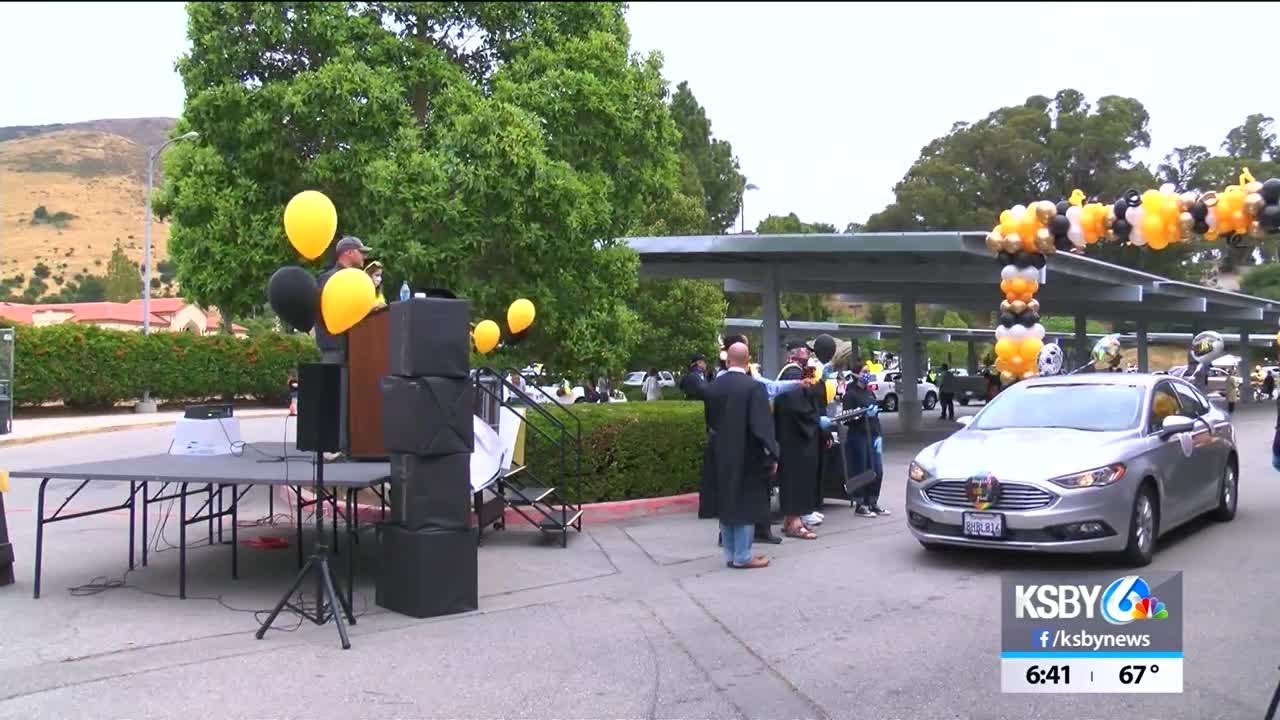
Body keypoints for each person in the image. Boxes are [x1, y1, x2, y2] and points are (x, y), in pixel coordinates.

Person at [703, 343, 779, 569]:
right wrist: (772, 454)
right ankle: (743, 556)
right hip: (747, 454)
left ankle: (730, 554)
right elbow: (761, 426)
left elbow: (710, 423)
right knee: (746, 504)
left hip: (719, 452)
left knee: (726, 503)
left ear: (728, 361)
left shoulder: (713, 387)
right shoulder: (753, 387)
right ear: (748, 362)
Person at [314, 235, 372, 460]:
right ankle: (330, 447)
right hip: (334, 345)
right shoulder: (329, 279)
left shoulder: (357, 280)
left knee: (348, 397)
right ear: (348, 252)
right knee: (334, 395)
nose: (364, 256)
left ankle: (349, 445)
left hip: (355, 347)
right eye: (360, 251)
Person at [773, 341, 831, 539]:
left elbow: (810, 395)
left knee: (796, 479)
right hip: (796, 438)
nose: (809, 356)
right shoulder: (792, 373)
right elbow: (797, 406)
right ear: (798, 352)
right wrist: (816, 419)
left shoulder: (798, 372)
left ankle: (791, 520)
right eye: (807, 352)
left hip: (795, 436)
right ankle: (794, 523)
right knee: (796, 479)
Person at [841, 368, 890, 517]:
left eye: (868, 371)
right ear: (856, 374)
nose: (867, 374)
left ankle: (873, 502)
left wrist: (879, 435)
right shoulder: (850, 394)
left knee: (877, 470)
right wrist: (862, 414)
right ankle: (860, 504)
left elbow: (876, 417)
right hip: (858, 436)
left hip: (873, 434)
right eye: (864, 371)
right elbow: (846, 418)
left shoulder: (870, 393)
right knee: (861, 469)